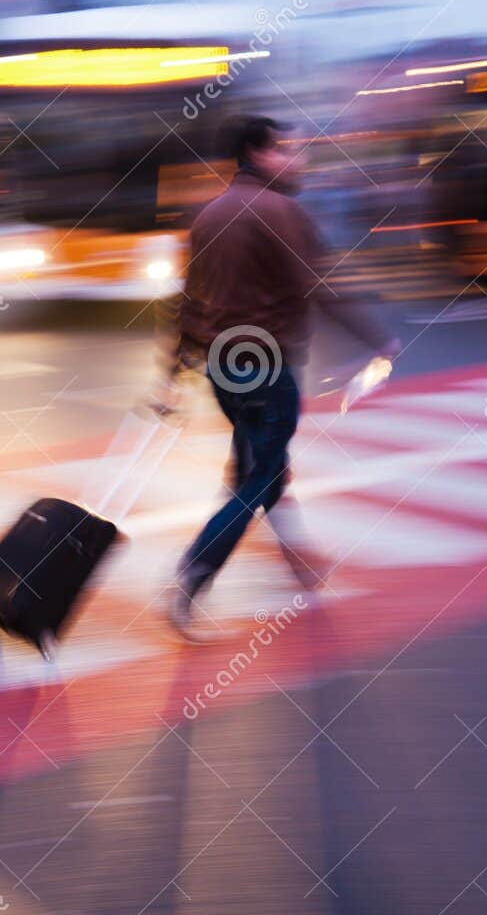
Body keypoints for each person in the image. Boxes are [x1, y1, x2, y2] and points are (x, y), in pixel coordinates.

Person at [154, 116, 398, 639]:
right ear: (258, 153)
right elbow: (322, 287)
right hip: (267, 366)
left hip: (223, 368)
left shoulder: (209, 215)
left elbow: (187, 302)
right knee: (258, 476)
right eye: (288, 149)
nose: (299, 159)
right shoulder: (280, 212)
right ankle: (192, 575)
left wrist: (173, 373)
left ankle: (298, 562)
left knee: (259, 466)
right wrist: (379, 339)